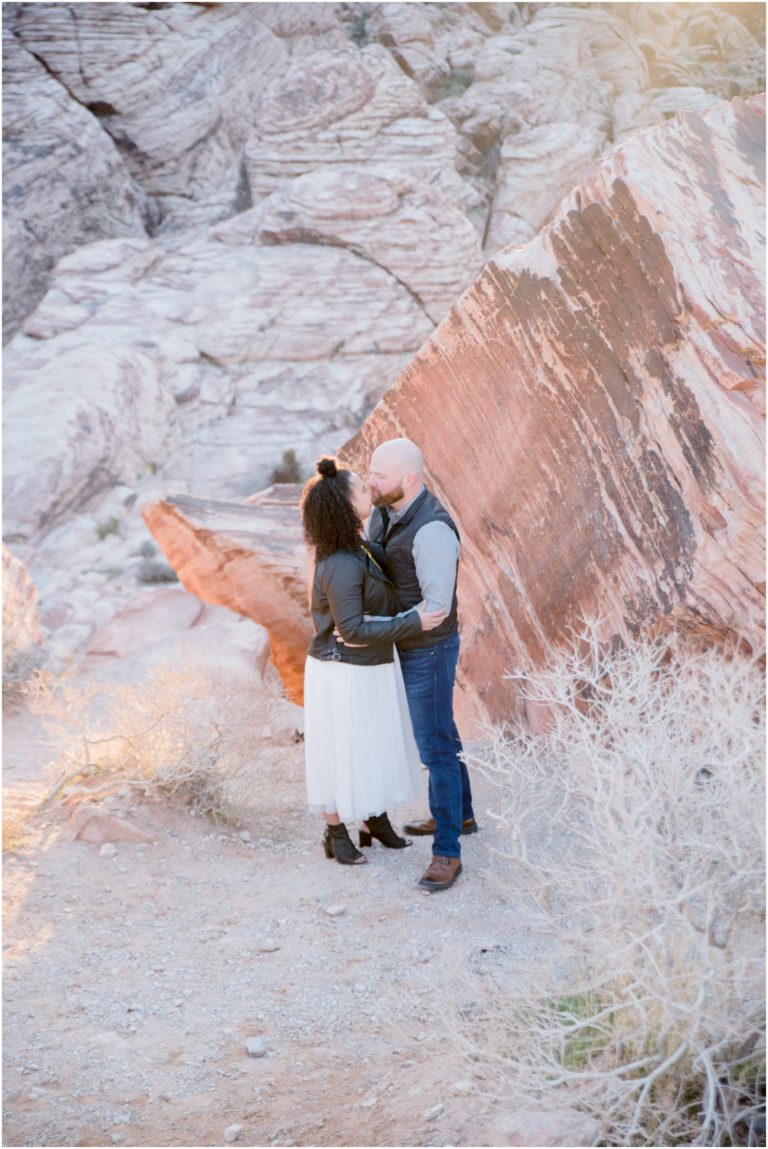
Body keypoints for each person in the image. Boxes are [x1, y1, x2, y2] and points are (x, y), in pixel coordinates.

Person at [300, 455, 448, 866]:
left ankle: (373, 821)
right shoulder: (344, 564)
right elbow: (355, 631)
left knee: (370, 748)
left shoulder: (358, 548)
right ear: (346, 506)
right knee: (337, 752)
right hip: (342, 671)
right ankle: (334, 832)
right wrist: (413, 621)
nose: (371, 491)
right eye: (363, 490)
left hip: (367, 669)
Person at [366, 438, 476, 892]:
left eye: (380, 476)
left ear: (409, 480)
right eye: (370, 472)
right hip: (402, 640)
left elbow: (436, 610)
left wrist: (375, 623)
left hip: (428, 649)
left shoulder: (432, 531)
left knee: (435, 748)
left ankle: (447, 853)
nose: (371, 481)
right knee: (442, 734)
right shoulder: (382, 512)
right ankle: (462, 815)